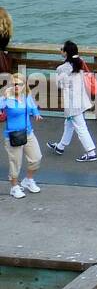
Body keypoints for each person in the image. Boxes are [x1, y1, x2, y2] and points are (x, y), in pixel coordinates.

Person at [48, 41, 97, 162]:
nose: (60, 50)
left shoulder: (61, 68)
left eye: (61, 49)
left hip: (72, 102)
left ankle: (91, 152)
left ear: (66, 52)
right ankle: (60, 146)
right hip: (81, 98)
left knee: (80, 127)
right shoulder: (80, 61)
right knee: (69, 123)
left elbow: (59, 85)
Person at [3, 71, 43, 199]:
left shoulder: (26, 97)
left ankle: (28, 180)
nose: (16, 87)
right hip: (12, 136)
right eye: (14, 84)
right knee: (15, 162)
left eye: (19, 84)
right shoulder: (5, 99)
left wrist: (36, 113)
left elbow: (33, 107)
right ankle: (14, 187)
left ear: (24, 86)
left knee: (36, 158)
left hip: (28, 133)